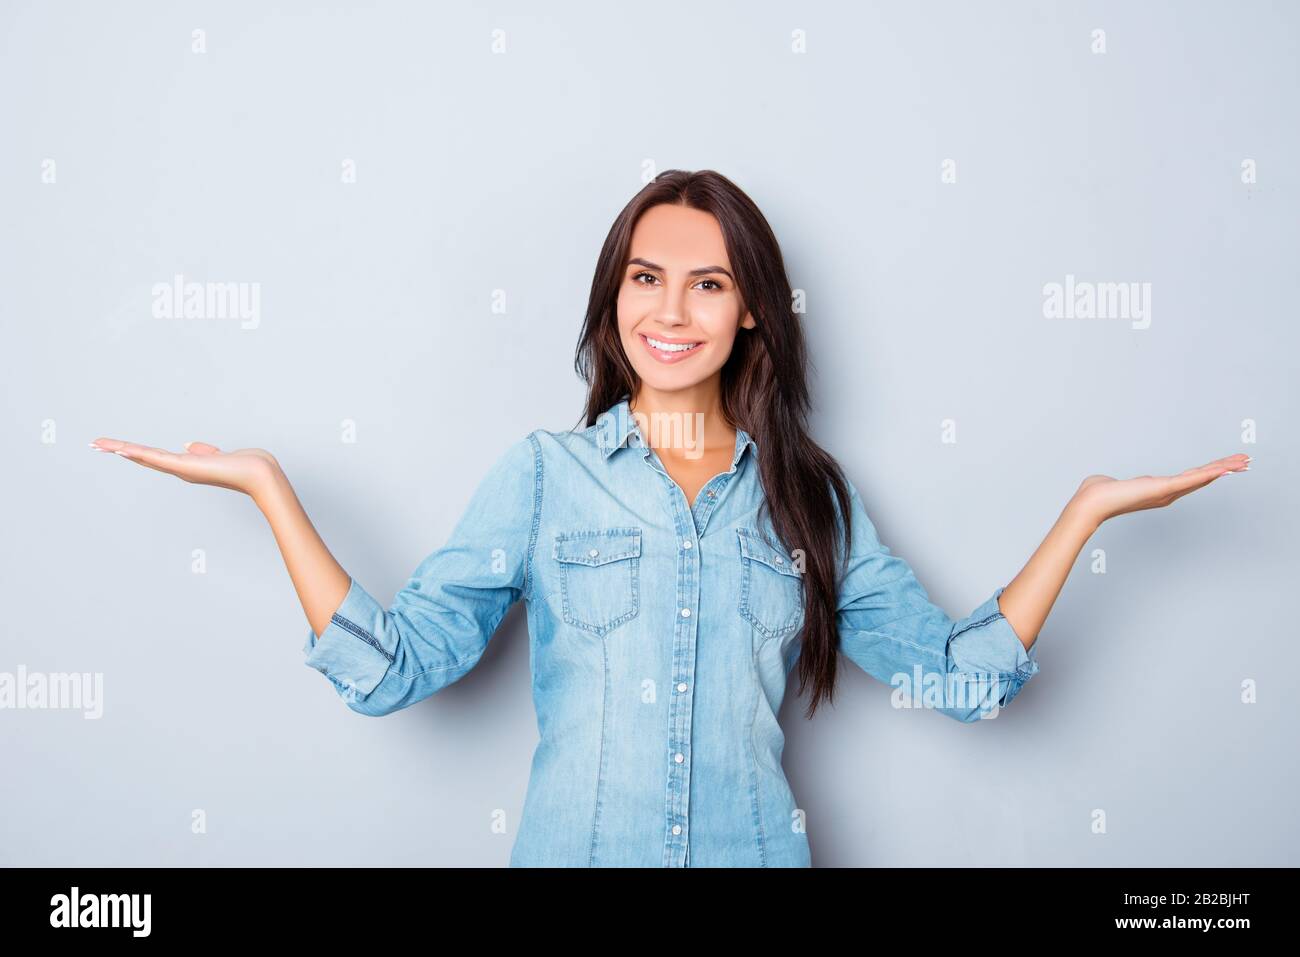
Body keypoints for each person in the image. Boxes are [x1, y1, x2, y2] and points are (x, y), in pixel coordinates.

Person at [91, 169, 1249, 867]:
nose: (672, 308)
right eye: (646, 277)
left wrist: (1086, 513)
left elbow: (963, 682)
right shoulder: (545, 475)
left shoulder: (811, 495)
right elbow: (393, 671)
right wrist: (268, 490)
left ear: (749, 311)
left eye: (707, 282)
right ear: (613, 300)